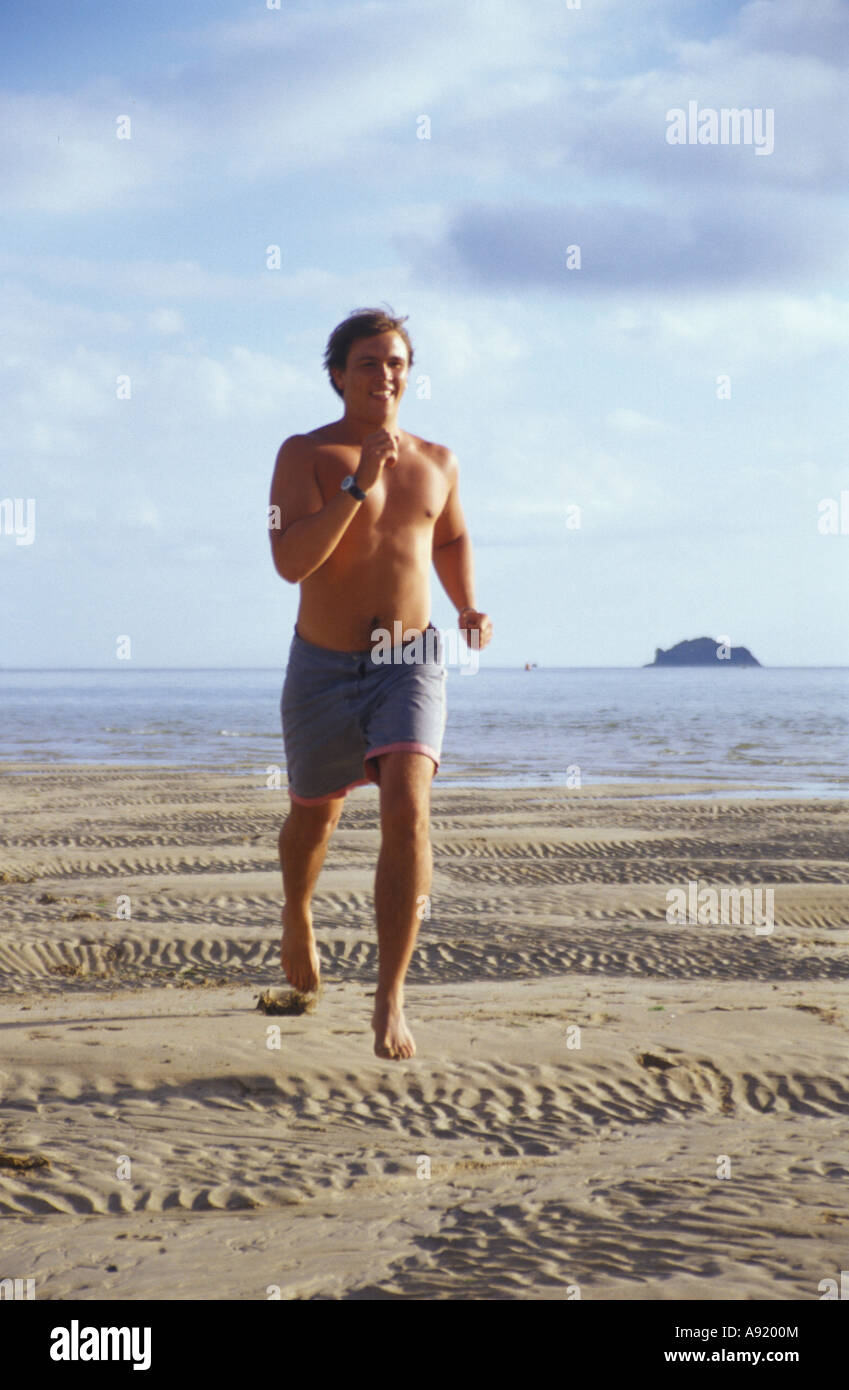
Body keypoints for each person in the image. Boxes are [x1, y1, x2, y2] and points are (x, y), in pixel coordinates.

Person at [268, 307, 492, 1059]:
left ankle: (390, 995)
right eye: (368, 362)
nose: (384, 375)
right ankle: (297, 910)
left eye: (395, 362)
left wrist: (465, 605)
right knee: (313, 817)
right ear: (337, 374)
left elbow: (450, 535)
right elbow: (290, 561)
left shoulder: (438, 461)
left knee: (408, 804)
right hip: (323, 663)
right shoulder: (302, 454)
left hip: (410, 655)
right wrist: (357, 484)